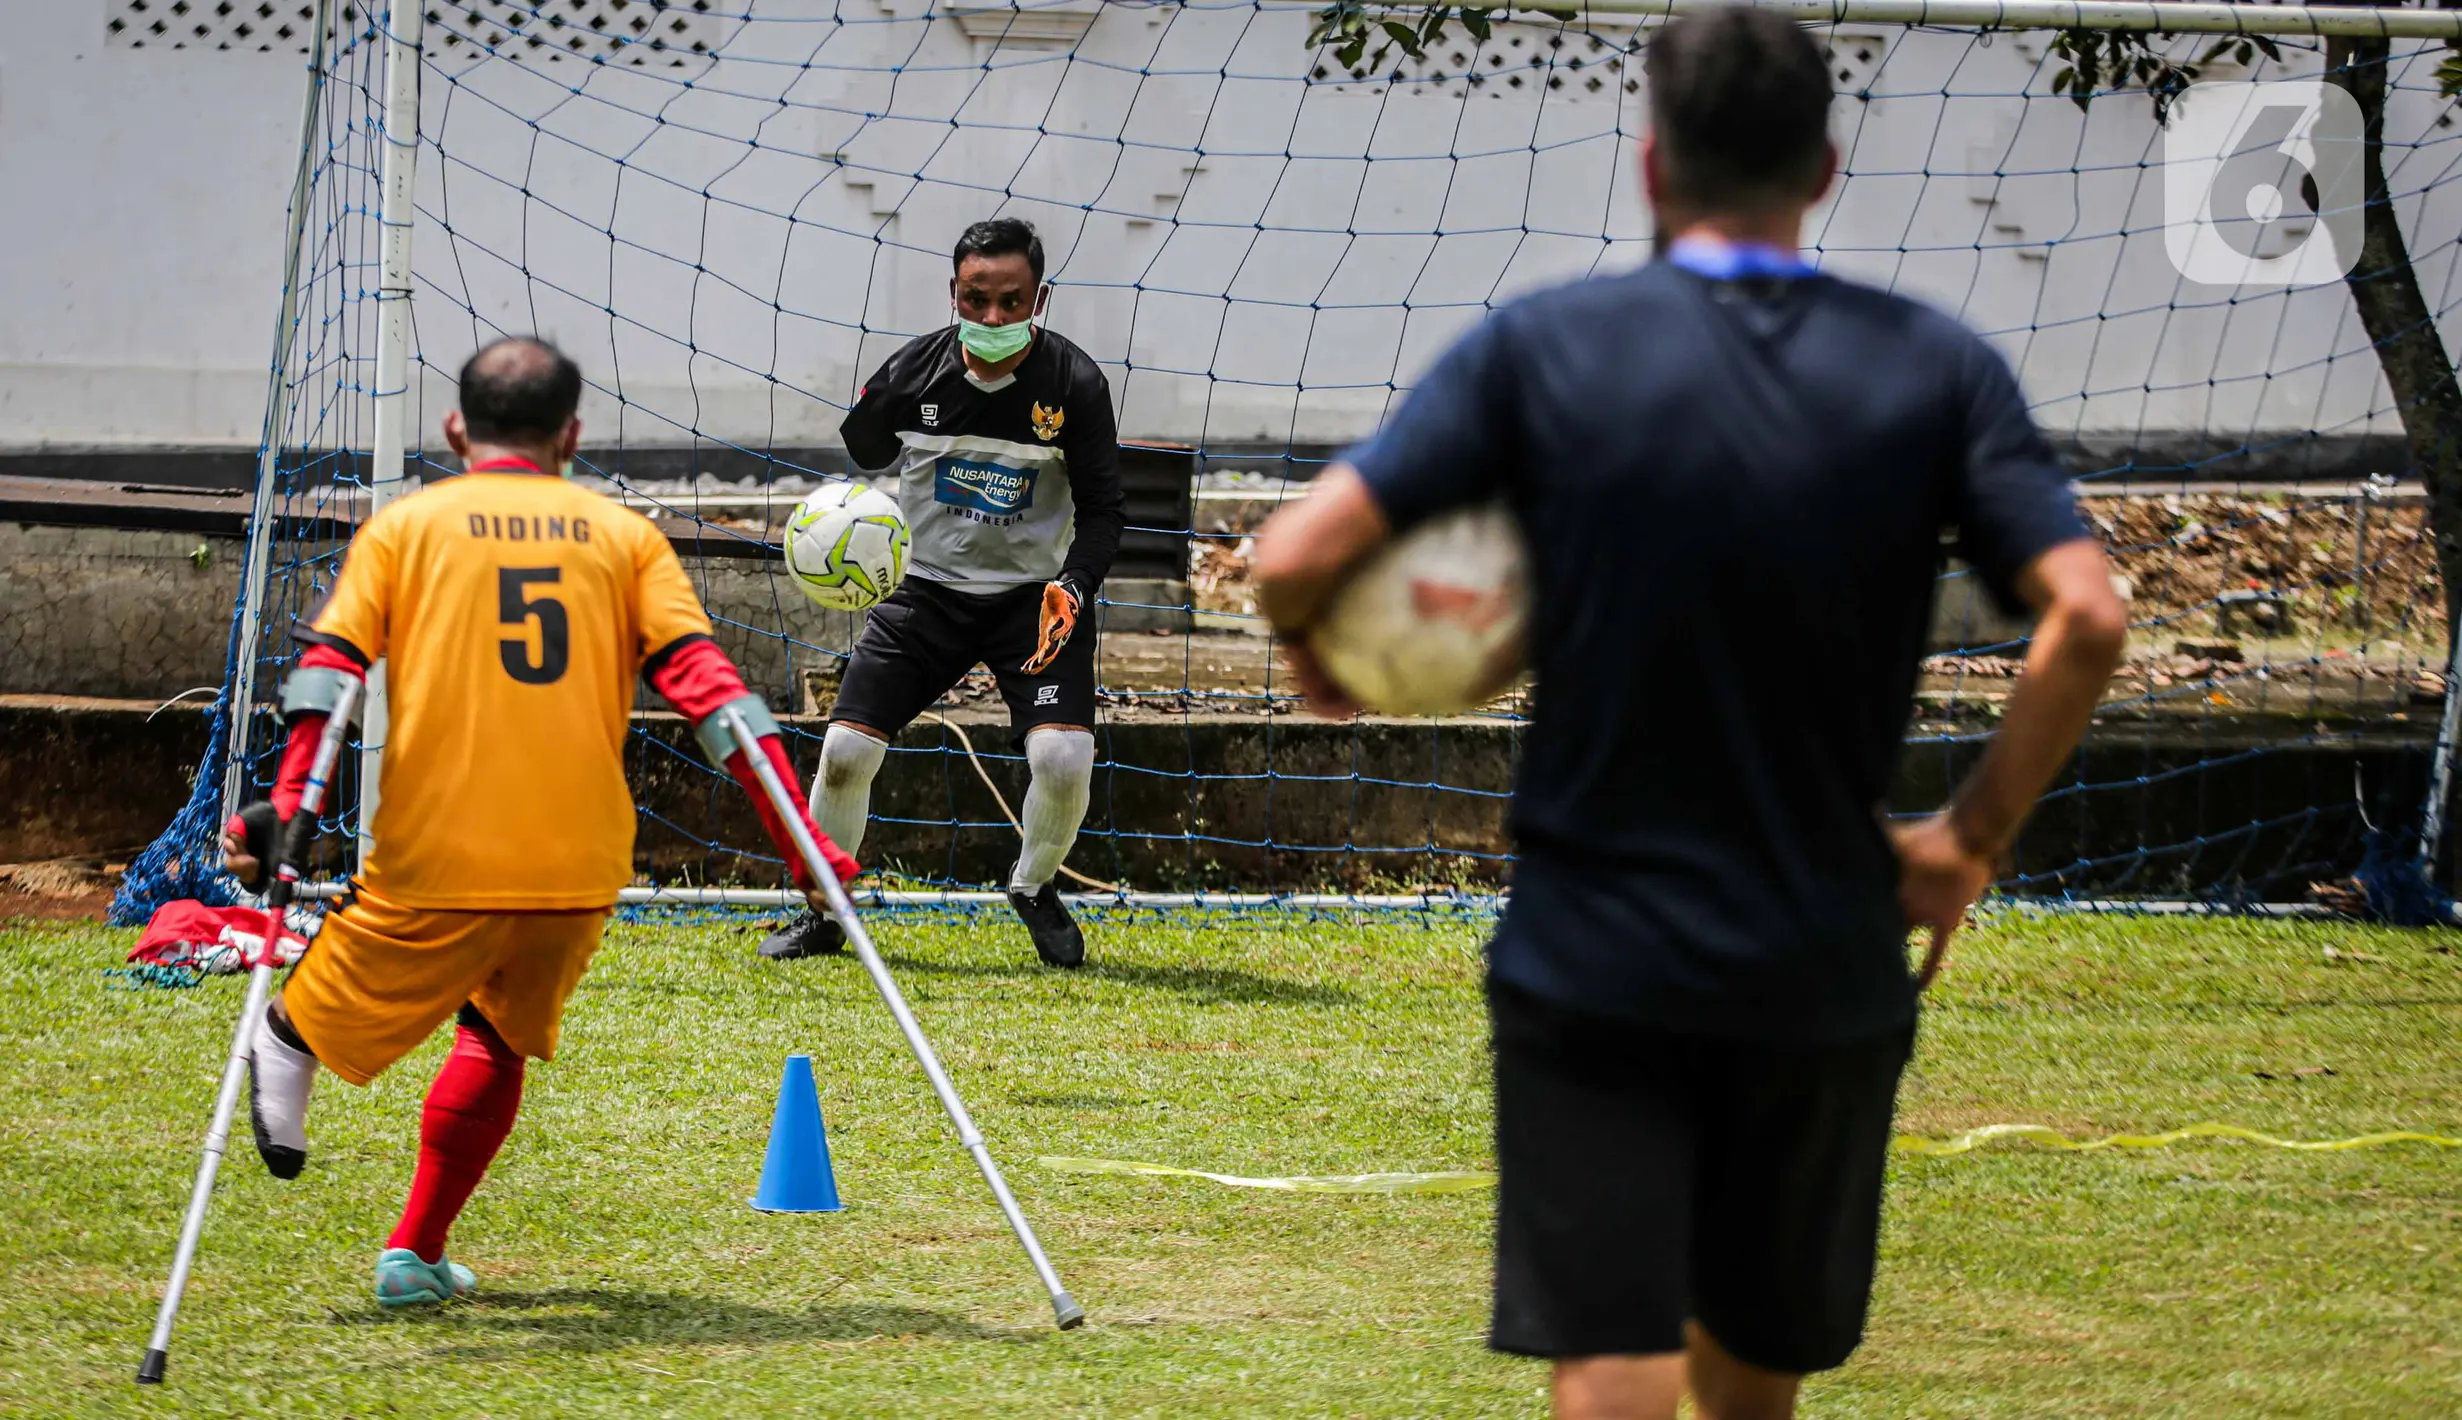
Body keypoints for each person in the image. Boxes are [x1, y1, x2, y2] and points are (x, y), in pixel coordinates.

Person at [1250, 11, 2127, 1419]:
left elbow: (1290, 557)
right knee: (1751, 1370)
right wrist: (1966, 838)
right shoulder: (1935, 366)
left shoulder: (1543, 346)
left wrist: (1320, 654)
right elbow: (2086, 616)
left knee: (1612, 1351)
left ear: (1652, 164)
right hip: (1819, 949)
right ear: (1822, 168)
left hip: (1594, 945)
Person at [220, 336, 859, 1307]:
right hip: (576, 859)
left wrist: (294, 803)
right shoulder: (622, 537)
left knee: (363, 993)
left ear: (454, 430)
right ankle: (415, 1252)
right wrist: (799, 844)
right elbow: (716, 699)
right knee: (496, 1031)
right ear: (570, 436)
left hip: (437, 847)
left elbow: (328, 673)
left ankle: (291, 1033)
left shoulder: (404, 529)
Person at [758, 216, 1125, 968]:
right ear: (953, 294)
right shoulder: (917, 369)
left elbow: (1105, 511)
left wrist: (1075, 585)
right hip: (924, 593)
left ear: (1039, 300)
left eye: (1011, 302)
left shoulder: (1075, 384)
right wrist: (874, 413)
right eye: (975, 299)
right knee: (845, 751)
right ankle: (826, 914)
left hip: (1034, 602)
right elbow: (865, 451)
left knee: (1063, 762)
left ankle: (1033, 886)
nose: (991, 317)